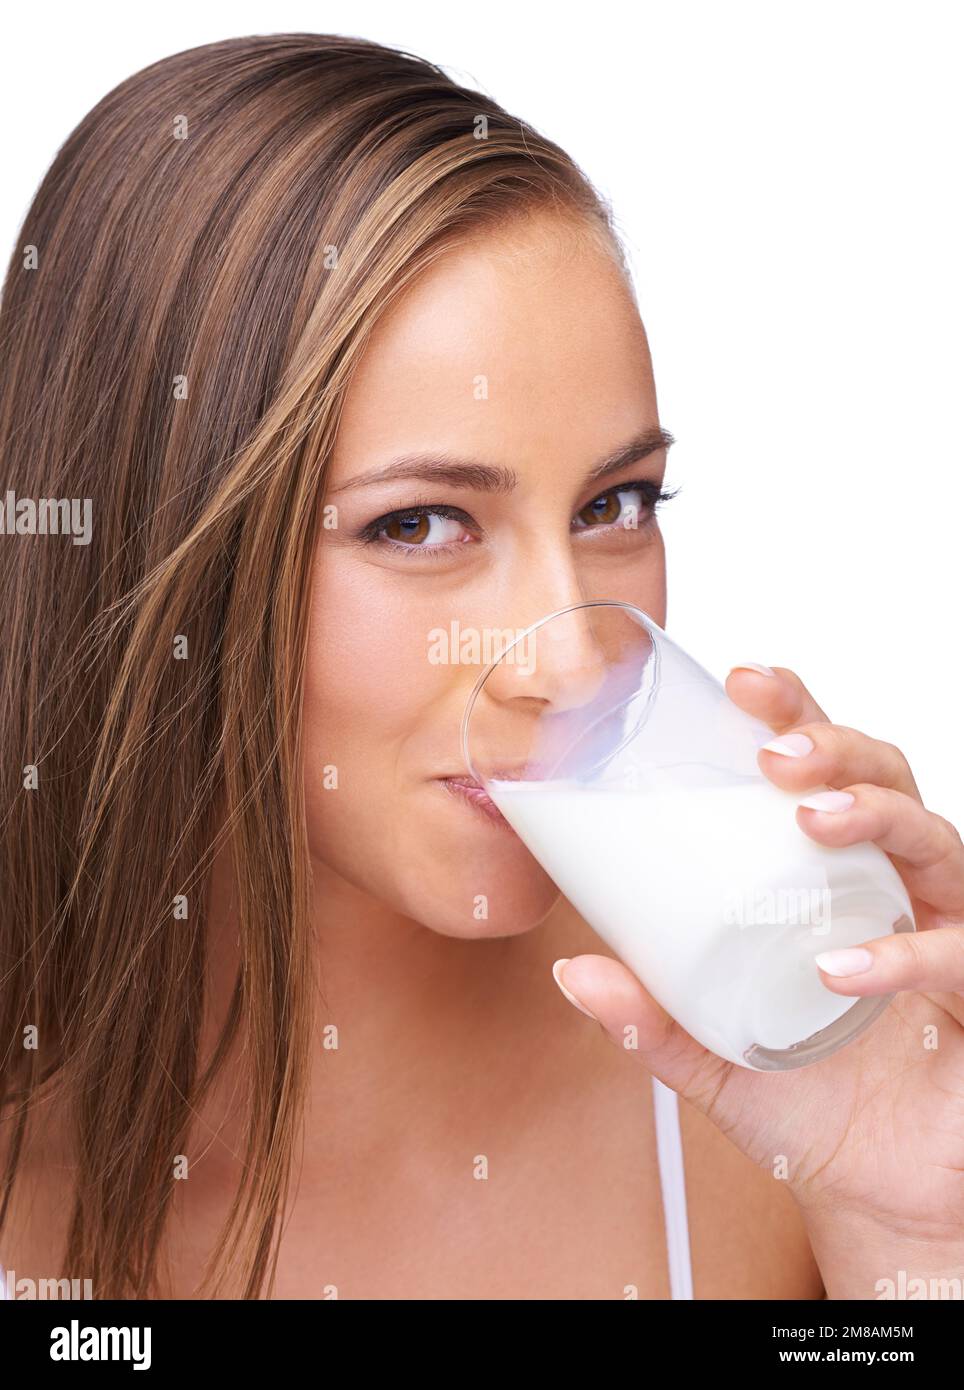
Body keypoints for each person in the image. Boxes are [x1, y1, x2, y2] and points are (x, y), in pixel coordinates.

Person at [1, 33, 961, 1301]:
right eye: (418, 524)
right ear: (151, 544)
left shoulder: (761, 1084)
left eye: (616, 503)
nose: (567, 658)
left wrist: (913, 1245)